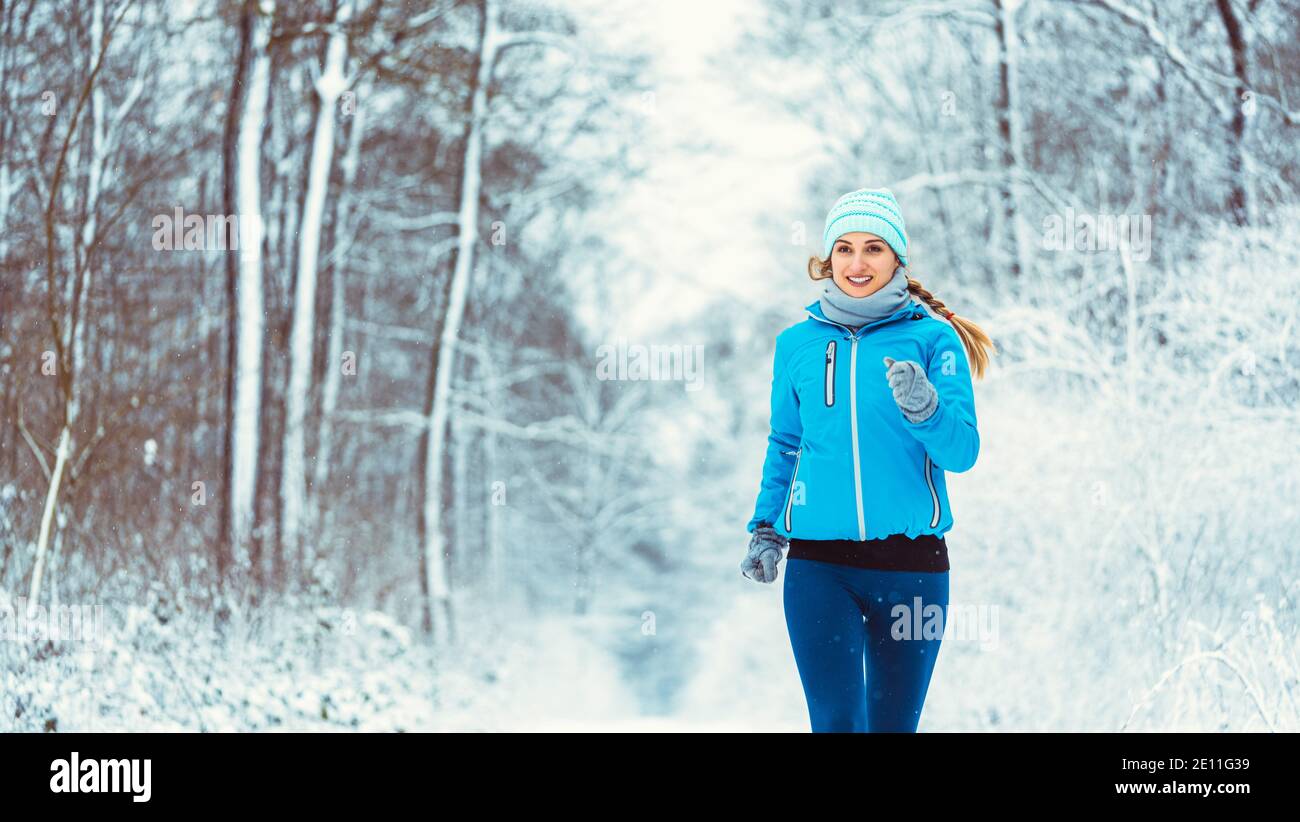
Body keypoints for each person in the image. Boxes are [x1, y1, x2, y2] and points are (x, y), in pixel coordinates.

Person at [740, 187, 996, 732]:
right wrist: (766, 527)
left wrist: (925, 410)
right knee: (836, 724)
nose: (858, 263)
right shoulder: (796, 344)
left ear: (897, 258)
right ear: (827, 259)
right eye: (845, 249)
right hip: (819, 568)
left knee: (891, 728)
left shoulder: (934, 340)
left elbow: (963, 452)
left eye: (874, 248)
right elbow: (785, 442)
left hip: (913, 569)